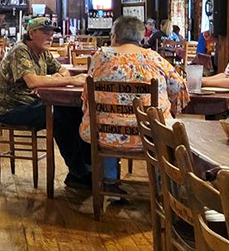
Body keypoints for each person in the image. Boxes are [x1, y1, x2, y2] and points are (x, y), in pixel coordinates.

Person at [0, 16, 91, 190]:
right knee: (59, 116)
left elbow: (62, 71)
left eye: (52, 33)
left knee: (78, 111)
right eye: (45, 33)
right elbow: (32, 82)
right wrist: (73, 81)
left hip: (32, 105)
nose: (50, 37)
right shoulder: (20, 50)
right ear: (31, 33)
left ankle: (84, 170)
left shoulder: (44, 53)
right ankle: (78, 173)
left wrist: (55, 78)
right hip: (12, 109)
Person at [80, 15, 189, 164]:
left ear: (114, 36)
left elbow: (87, 94)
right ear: (142, 37)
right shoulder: (155, 58)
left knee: (103, 117)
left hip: (104, 135)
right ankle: (161, 180)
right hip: (152, 136)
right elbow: (178, 89)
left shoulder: (100, 57)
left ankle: (109, 180)